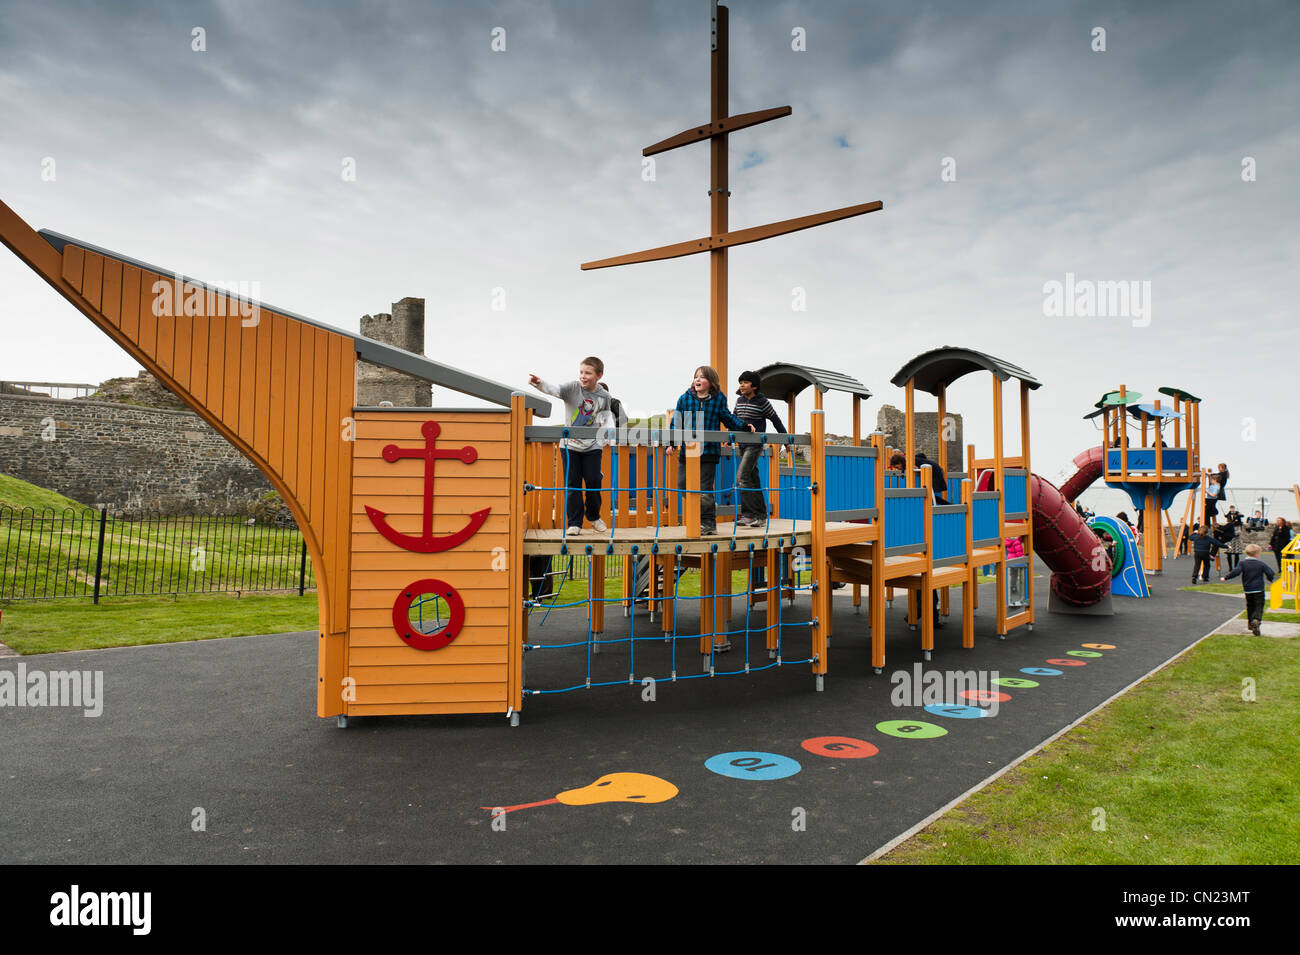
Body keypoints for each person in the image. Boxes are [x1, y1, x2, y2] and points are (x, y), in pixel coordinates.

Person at [529, 357, 615, 535]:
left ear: (599, 375)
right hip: (570, 446)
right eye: (581, 372)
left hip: (592, 445)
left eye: (588, 373)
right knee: (573, 483)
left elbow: (606, 417)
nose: (583, 376)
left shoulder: (604, 396)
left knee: (593, 480)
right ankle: (574, 523)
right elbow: (553, 389)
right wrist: (539, 383)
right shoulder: (572, 388)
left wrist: (608, 435)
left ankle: (593, 516)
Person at [668, 365, 752, 536]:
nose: (698, 380)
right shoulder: (685, 399)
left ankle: (708, 524)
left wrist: (743, 426)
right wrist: (672, 443)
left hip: (709, 450)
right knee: (683, 485)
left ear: (711, 382)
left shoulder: (718, 399)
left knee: (704, 488)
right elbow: (677, 422)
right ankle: (707, 505)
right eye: (696, 377)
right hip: (688, 450)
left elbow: (727, 418)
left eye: (702, 377)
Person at [732, 370, 786, 527]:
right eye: (740, 382)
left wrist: (786, 440)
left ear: (754, 386)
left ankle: (749, 514)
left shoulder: (762, 402)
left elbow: (776, 420)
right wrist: (729, 437)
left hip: (754, 445)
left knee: (742, 477)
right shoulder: (739, 401)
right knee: (752, 479)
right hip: (741, 444)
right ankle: (761, 515)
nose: (742, 385)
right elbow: (733, 419)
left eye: (745, 382)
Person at [1221, 543, 1276, 636]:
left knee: (1250, 606)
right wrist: (1270, 579)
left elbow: (1236, 572)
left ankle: (1251, 623)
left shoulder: (1242, 564)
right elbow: (1270, 572)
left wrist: (1226, 577)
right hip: (1258, 589)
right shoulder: (1261, 564)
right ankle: (1257, 619)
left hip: (1248, 589)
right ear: (1257, 554)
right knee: (1259, 606)